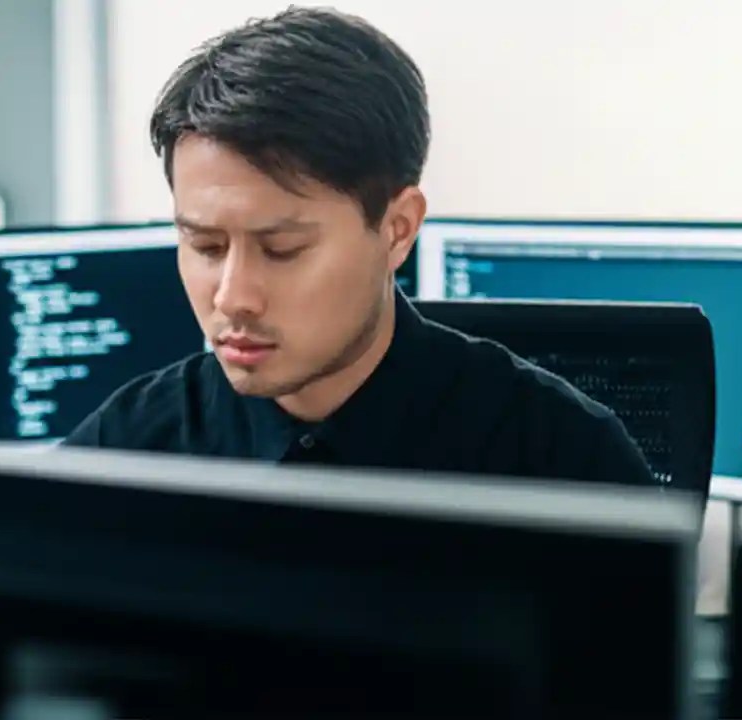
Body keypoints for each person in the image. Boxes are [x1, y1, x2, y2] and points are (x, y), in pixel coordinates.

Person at [63, 7, 655, 487]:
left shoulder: (561, 462)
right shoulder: (126, 449)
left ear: (397, 230)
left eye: (283, 248)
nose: (234, 297)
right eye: (207, 246)